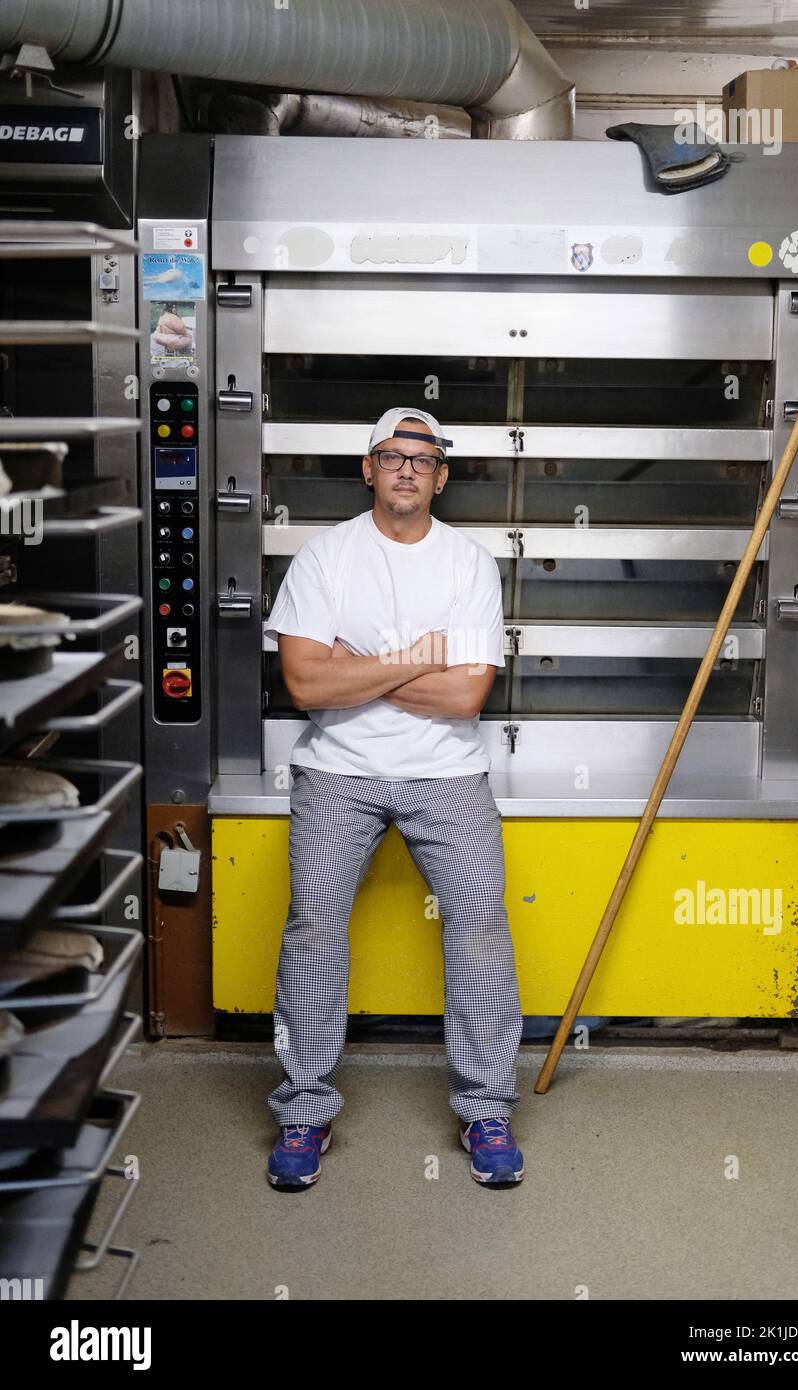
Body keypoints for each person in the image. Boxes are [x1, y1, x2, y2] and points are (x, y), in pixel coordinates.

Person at [263, 407, 524, 1190]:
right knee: (313, 923)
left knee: (479, 921)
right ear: (368, 470)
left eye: (422, 457)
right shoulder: (325, 557)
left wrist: (364, 665)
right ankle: (304, 1111)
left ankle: (486, 1109)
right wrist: (416, 664)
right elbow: (306, 682)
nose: (406, 468)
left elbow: (468, 696)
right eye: (390, 456)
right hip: (338, 771)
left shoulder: (470, 564)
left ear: (441, 476)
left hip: (447, 776)